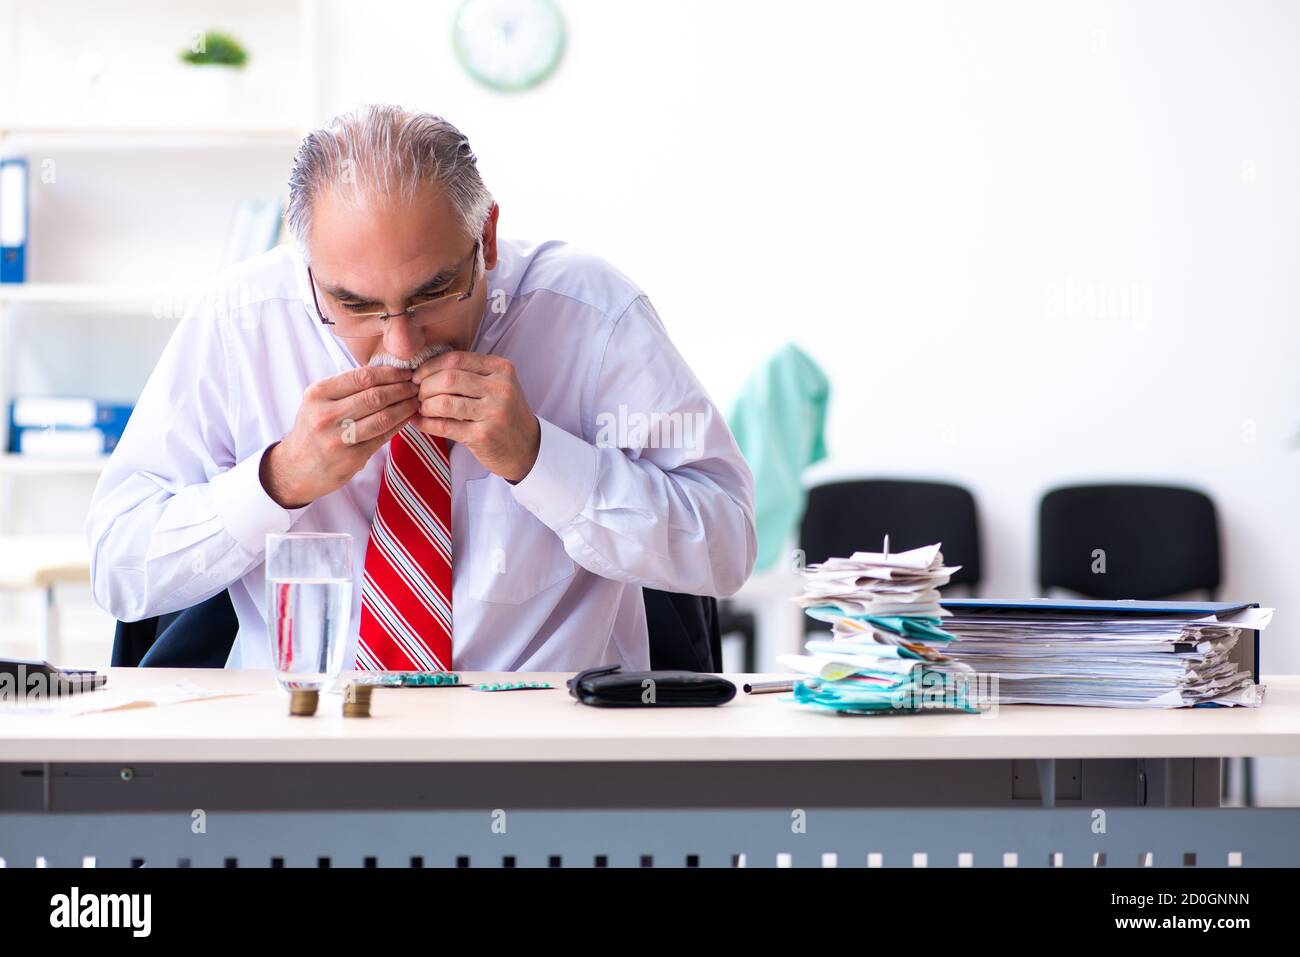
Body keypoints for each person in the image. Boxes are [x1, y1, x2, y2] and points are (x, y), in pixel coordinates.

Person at [86, 104, 756, 671]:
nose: (402, 344)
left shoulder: (593, 315)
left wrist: (541, 459)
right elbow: (119, 566)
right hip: (303, 748)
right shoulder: (240, 323)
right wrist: (278, 479)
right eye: (354, 304)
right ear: (308, 270)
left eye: (435, 291)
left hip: (543, 755)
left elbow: (727, 547)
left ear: (486, 238)